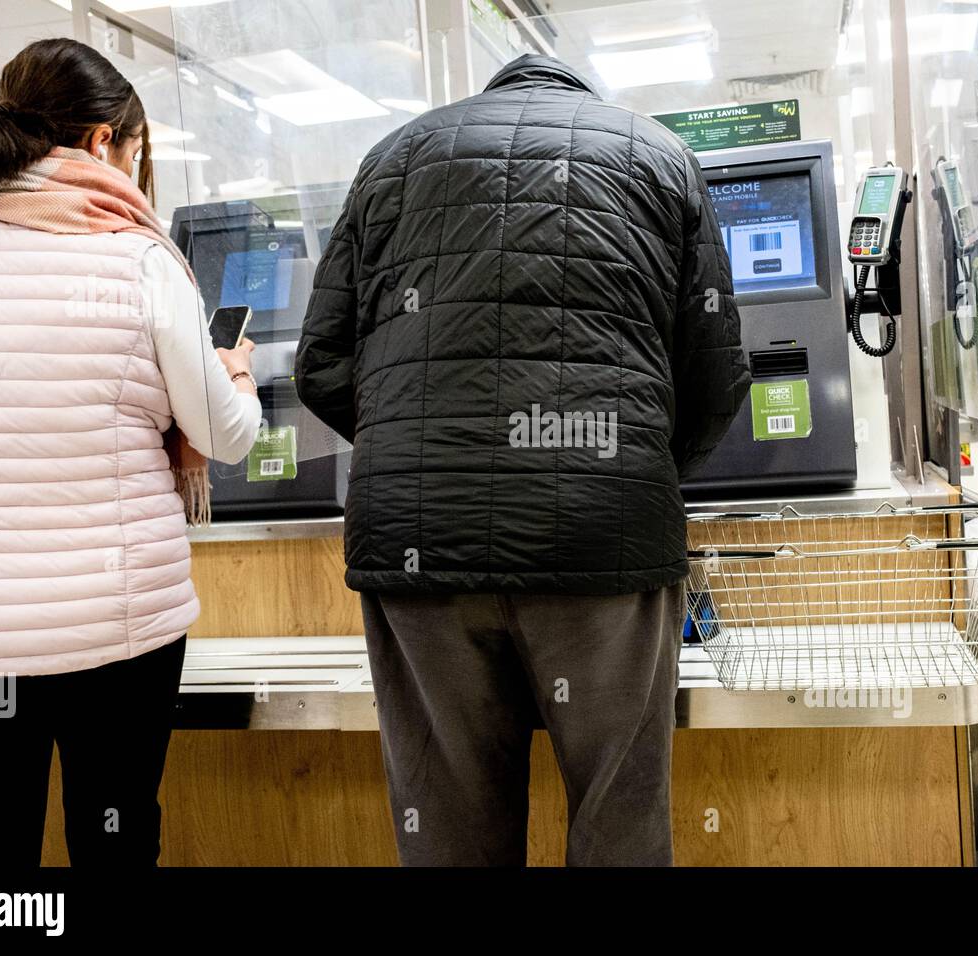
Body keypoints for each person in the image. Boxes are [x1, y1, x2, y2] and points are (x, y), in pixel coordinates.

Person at [297, 53, 749, 866]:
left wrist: (418, 446)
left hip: (420, 542)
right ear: (578, 92)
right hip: (601, 535)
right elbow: (717, 373)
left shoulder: (393, 158)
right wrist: (637, 468)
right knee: (620, 820)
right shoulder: (659, 155)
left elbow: (321, 365)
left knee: (448, 827)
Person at [0, 38, 263, 866]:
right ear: (106, 142)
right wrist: (235, 376)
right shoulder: (137, 261)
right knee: (113, 837)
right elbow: (223, 436)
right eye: (138, 152)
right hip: (114, 636)